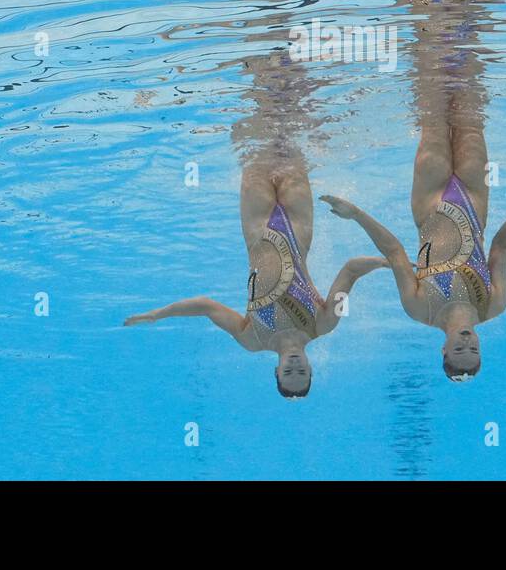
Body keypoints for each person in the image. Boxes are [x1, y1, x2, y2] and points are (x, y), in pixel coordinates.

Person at [321, 0, 506, 381]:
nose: (468, 344)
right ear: (481, 348)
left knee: (432, 104)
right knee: (467, 97)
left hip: (430, 207)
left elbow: (392, 252)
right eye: (475, 352)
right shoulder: (494, 304)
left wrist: (355, 213)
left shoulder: (418, 308)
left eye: (459, 353)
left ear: (443, 351)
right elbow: (503, 246)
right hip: (474, 202)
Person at [125, 50, 387, 398]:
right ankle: (294, 65)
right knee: (289, 139)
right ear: (310, 368)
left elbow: (206, 306)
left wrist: (159, 314)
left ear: (276, 372)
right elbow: (352, 270)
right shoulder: (324, 324)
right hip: (297, 229)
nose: (294, 367)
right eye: (301, 372)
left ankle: (257, 63)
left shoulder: (252, 339)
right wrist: (393, 263)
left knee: (257, 143)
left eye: (288, 373)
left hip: (256, 227)